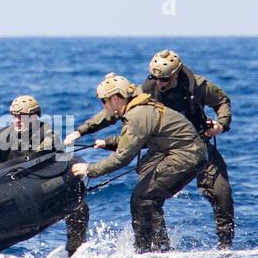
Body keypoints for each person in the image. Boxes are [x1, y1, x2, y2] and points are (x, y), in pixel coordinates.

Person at [65, 49, 235, 247]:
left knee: (221, 192)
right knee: (145, 192)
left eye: (164, 79)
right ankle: (159, 245)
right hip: (162, 145)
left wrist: (221, 125)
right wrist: (82, 132)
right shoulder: (145, 91)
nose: (159, 83)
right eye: (155, 78)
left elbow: (222, 101)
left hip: (195, 142)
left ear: (176, 74)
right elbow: (115, 114)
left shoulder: (196, 85)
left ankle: (225, 246)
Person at [70, 73, 206, 253]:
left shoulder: (136, 115)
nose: (103, 106)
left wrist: (90, 169)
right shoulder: (137, 108)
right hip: (183, 152)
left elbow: (123, 157)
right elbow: (133, 138)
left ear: (117, 99)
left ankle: (145, 252)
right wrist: (106, 141)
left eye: (104, 101)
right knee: (148, 198)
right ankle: (160, 248)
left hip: (187, 155)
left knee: (143, 198)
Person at [0, 95, 89, 256]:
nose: (17, 120)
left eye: (22, 116)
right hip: (7, 189)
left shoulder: (48, 135)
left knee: (79, 206)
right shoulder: (4, 135)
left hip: (38, 187)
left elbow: (43, 158)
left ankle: (74, 251)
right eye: (14, 116)